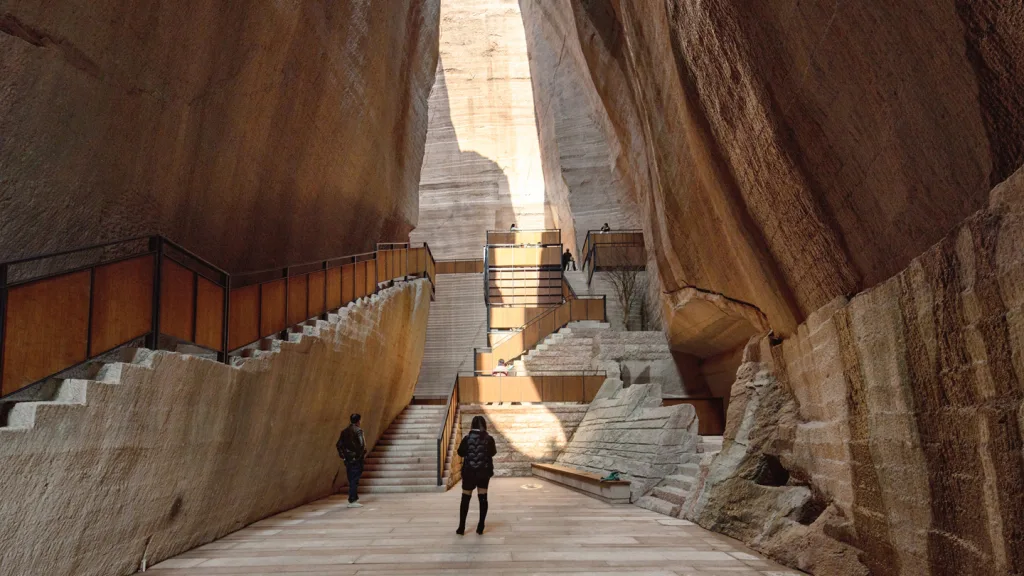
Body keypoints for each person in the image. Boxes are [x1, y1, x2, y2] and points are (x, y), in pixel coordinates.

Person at [456, 416, 498, 535]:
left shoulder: (467, 438)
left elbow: (461, 452)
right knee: (483, 497)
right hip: (483, 472)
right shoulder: (489, 439)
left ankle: (461, 527)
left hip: (469, 472)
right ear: (484, 425)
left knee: (465, 498)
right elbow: (493, 453)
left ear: (472, 425)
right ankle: (480, 526)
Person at [336, 413, 366, 508]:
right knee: (354, 479)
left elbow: (338, 445)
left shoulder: (344, 431)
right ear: (358, 421)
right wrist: (359, 456)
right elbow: (362, 445)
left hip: (348, 460)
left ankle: (354, 497)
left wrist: (344, 456)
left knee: (351, 478)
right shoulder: (358, 430)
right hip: (356, 460)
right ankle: (352, 499)